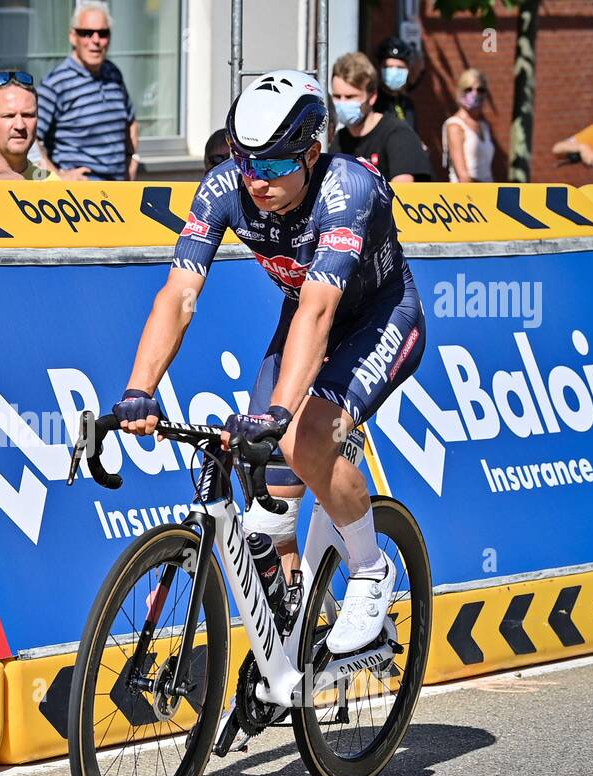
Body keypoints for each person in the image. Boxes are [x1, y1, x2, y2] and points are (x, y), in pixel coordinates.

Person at [114, 70, 425, 655]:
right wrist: (139, 389)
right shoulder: (223, 186)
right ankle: (294, 635)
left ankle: (370, 569)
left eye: (277, 166)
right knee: (263, 489)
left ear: (312, 153)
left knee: (304, 440)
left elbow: (319, 310)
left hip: (379, 318)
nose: (258, 181)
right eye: (247, 162)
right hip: (305, 315)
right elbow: (179, 294)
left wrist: (283, 413)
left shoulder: (348, 190)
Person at [36, 1, 138, 181]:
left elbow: (131, 122)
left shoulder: (113, 73)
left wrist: (133, 160)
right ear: (73, 36)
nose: (96, 40)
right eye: (87, 33)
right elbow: (31, 139)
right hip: (80, 199)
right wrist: (57, 177)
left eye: (103, 33)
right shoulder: (56, 83)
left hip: (119, 191)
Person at [331, 52, 431, 183]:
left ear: (372, 97)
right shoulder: (338, 141)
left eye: (350, 97)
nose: (342, 103)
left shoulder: (397, 134)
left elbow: (401, 194)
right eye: (337, 96)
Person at [443, 67, 493, 182]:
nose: (474, 94)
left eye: (480, 90)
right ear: (460, 91)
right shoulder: (455, 125)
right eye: (468, 89)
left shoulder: (484, 126)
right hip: (466, 195)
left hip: (488, 192)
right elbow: (463, 176)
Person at [373, 35, 418, 131]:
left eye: (400, 67)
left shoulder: (407, 104)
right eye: (388, 67)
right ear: (380, 69)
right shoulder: (373, 102)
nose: (394, 72)